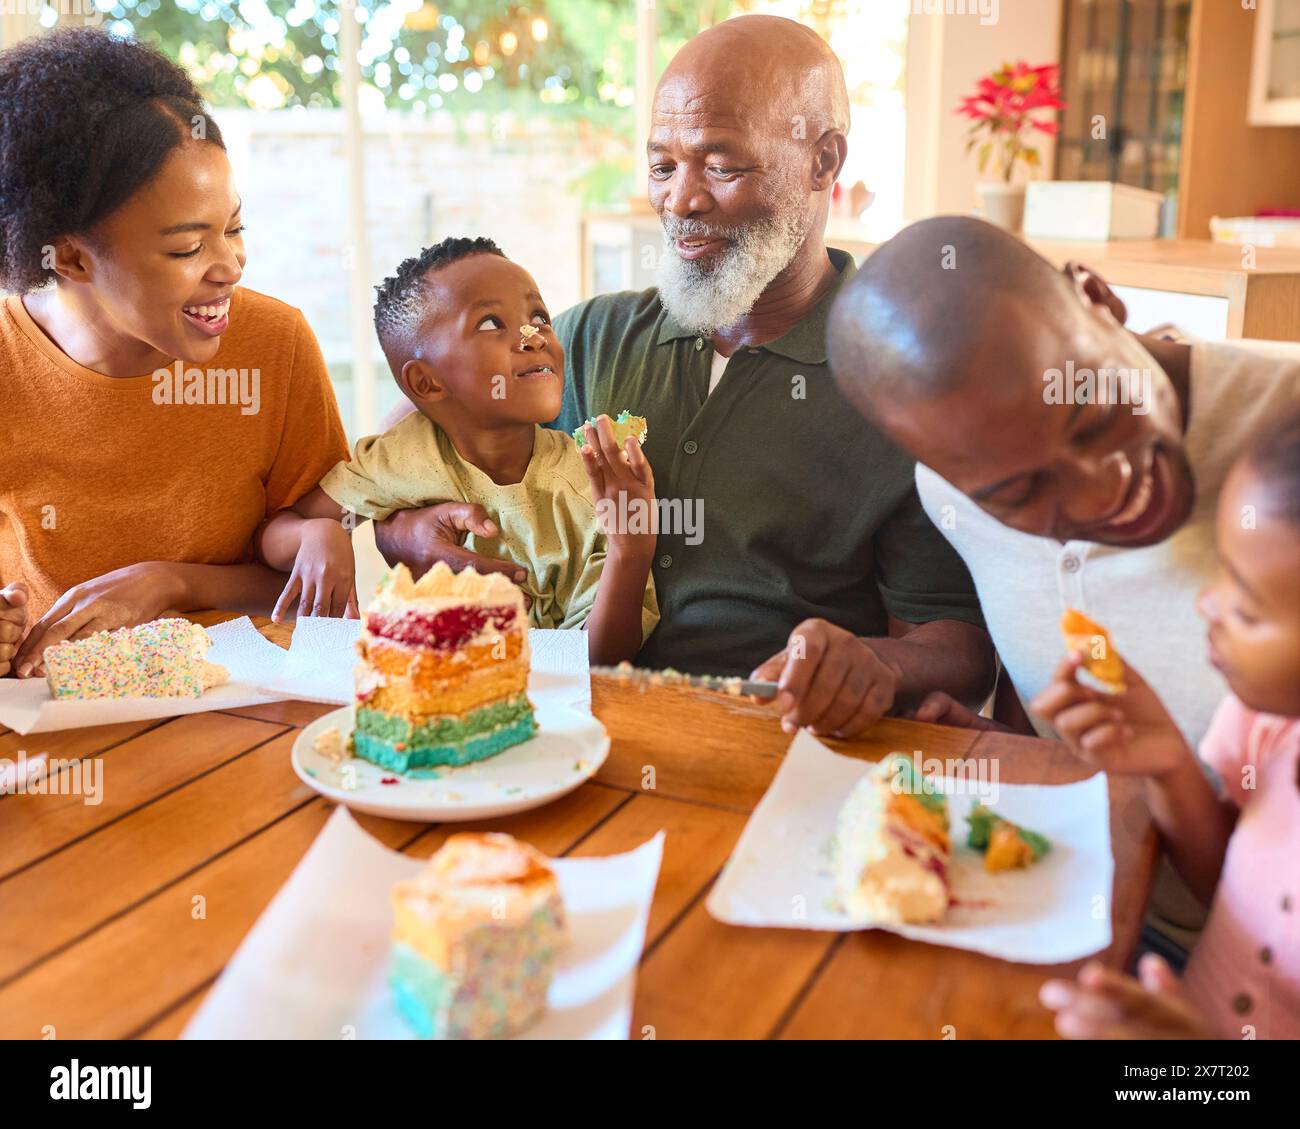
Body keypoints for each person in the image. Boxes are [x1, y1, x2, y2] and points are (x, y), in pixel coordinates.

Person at [369, 16, 993, 739]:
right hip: (560, 731)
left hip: (769, 746)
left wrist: (871, 665)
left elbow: (959, 650)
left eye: (721, 167)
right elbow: (412, 438)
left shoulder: (899, 385)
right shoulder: (591, 336)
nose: (681, 200)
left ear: (824, 163)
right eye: (663, 166)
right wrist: (405, 530)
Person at [826, 214, 1300, 749]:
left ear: (1098, 298)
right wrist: (1019, 753)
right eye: (1020, 493)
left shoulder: (1286, 416)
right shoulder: (951, 497)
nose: (1106, 492)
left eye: (1095, 417)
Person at [0, 28, 348, 676]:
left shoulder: (277, 347)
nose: (232, 266)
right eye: (188, 248)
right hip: (61, 726)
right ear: (72, 256)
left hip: (249, 719)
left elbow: (313, 599)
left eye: (235, 228)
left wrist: (171, 583)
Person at [255, 237, 658, 664]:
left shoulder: (588, 484)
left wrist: (629, 552)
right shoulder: (402, 456)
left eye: (538, 316)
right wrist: (319, 531)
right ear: (426, 384)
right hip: (423, 690)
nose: (533, 336)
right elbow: (275, 538)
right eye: (490, 324)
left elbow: (600, 659)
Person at [1036, 416, 1300, 1040]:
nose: (1205, 603)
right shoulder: (1268, 724)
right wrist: (1170, 766)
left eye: (1244, 604)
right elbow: (1236, 892)